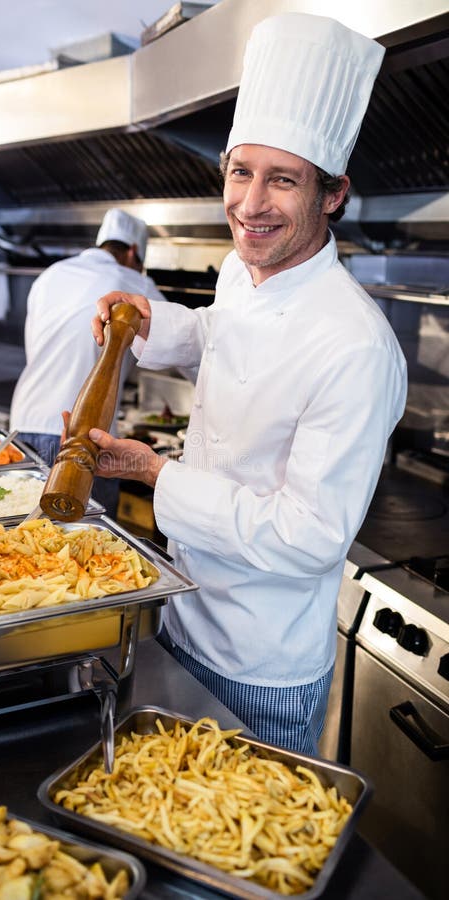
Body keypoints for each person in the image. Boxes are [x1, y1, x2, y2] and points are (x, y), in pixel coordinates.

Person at [87, 13, 408, 755]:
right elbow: (220, 335)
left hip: (259, 666)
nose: (251, 204)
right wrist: (148, 323)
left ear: (333, 194)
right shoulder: (243, 269)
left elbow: (308, 538)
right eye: (241, 172)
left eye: (283, 180)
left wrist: (155, 474)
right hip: (183, 614)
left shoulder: (356, 346)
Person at [10, 208, 166, 518]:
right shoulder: (133, 281)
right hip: (82, 435)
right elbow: (181, 343)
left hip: (23, 422)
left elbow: (34, 347)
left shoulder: (52, 273)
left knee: (24, 534)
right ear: (133, 252)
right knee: (87, 535)